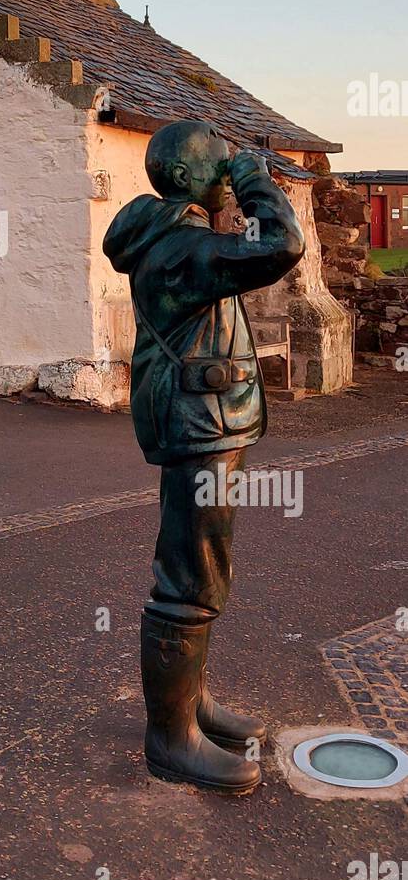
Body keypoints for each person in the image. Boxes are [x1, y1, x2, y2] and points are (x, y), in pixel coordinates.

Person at [103, 119, 305, 793]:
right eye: (218, 167)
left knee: (202, 564)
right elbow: (281, 242)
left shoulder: (172, 240)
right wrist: (254, 179)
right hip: (198, 424)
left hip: (204, 419)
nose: (228, 176)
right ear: (189, 180)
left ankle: (190, 704)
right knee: (190, 572)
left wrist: (236, 175)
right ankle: (170, 739)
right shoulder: (184, 250)